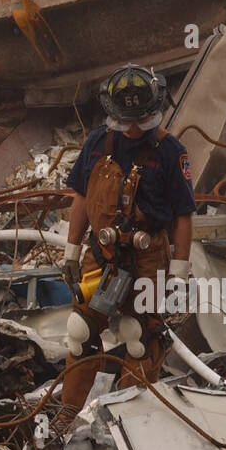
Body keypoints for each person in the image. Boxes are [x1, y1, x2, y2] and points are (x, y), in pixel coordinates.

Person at [59, 65, 196, 414]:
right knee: (80, 331)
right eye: (126, 120)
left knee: (138, 339)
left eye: (141, 119)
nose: (133, 128)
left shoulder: (170, 152)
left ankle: (127, 423)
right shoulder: (96, 143)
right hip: (100, 255)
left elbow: (183, 215)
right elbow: (80, 197)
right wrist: (71, 251)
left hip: (148, 258)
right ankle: (66, 416)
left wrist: (178, 273)